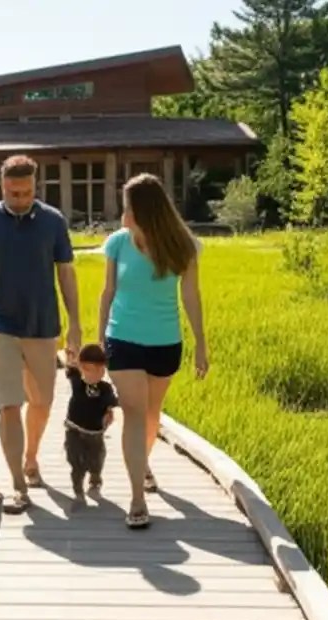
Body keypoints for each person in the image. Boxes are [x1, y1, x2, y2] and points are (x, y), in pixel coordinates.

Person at [0, 154, 82, 514]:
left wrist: (75, 322)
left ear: (36, 186)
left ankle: (31, 457)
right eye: (14, 193)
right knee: (9, 404)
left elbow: (66, 273)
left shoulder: (52, 222)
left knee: (42, 402)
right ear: (2, 187)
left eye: (27, 192)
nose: (20, 198)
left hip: (44, 327)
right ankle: (18, 487)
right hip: (2, 327)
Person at [98, 173, 208, 529]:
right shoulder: (117, 243)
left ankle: (142, 463)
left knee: (150, 414)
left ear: (143, 210)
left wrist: (201, 344)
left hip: (165, 342)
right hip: (123, 339)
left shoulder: (182, 245)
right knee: (132, 411)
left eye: (127, 206)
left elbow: (191, 296)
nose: (121, 212)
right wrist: (100, 338)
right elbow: (107, 292)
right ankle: (136, 498)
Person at [62, 343, 118, 500]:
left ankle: (95, 475)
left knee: (97, 458)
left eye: (102, 370)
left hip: (95, 433)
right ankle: (77, 485)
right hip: (74, 429)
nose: (98, 373)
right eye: (92, 370)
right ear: (83, 369)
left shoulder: (105, 388)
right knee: (75, 459)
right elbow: (71, 370)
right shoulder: (78, 383)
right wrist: (72, 358)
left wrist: (109, 411)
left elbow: (112, 402)